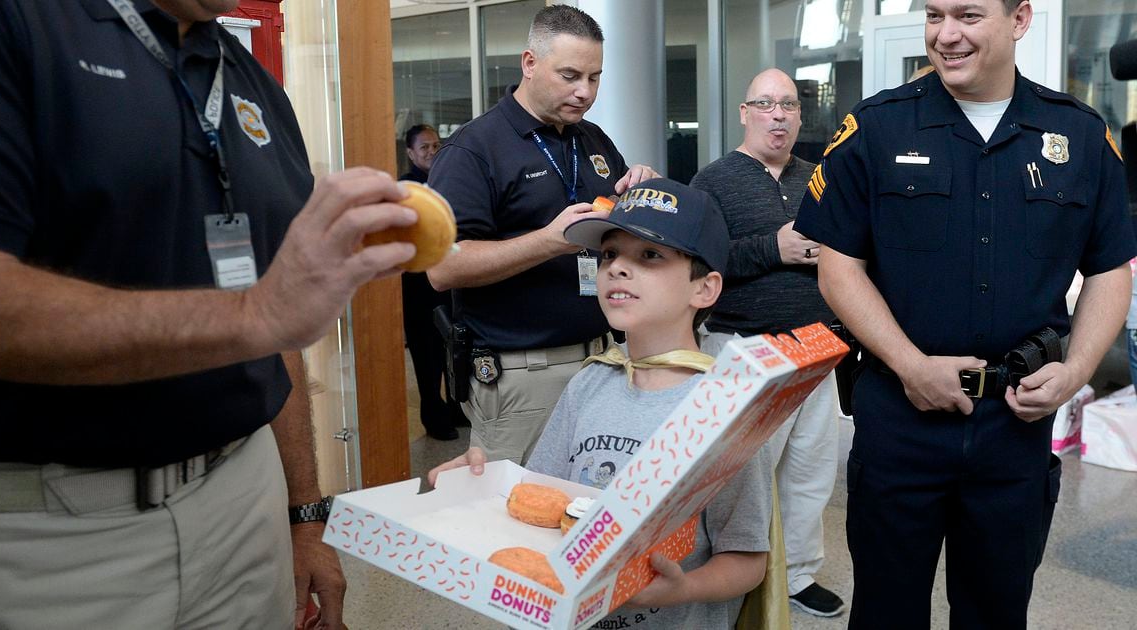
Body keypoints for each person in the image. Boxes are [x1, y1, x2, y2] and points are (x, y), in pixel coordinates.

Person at [0, 2, 421, 628]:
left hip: (243, 499)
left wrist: (304, 513)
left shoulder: (247, 79)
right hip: (42, 537)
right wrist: (256, 312)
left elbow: (272, 325)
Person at [794, 1, 1136, 628]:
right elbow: (837, 264)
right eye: (934, 15)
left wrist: (1077, 369)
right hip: (900, 421)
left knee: (995, 612)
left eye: (969, 15)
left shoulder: (1080, 135)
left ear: (1020, 20)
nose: (946, 35)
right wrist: (909, 364)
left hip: (1014, 428)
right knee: (887, 612)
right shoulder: (876, 128)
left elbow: (1111, 268)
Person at [432, 179, 773, 628]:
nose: (616, 269)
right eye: (609, 254)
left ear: (704, 289)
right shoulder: (589, 382)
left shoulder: (723, 408)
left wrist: (684, 589)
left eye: (650, 255)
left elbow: (747, 558)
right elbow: (544, 507)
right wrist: (477, 488)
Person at [426, 5, 658, 464]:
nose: (584, 92)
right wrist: (551, 239)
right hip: (524, 375)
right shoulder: (473, 150)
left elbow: (610, 235)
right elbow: (443, 268)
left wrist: (638, 196)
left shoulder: (591, 139)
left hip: (604, 359)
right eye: (570, 75)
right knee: (519, 517)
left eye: (594, 78)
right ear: (529, 63)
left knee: (588, 512)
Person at [690, 68, 843, 618]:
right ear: (744, 113)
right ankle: (728, 575)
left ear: (800, 115)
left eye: (788, 105)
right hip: (744, 351)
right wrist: (771, 249)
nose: (778, 115)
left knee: (809, 473)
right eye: (765, 104)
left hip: (818, 349)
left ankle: (797, 574)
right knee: (739, 479)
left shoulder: (822, 175)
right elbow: (698, 268)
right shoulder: (713, 181)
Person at [399, 124, 467, 441]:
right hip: (417, 288)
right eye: (424, 147)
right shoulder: (405, 190)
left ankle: (456, 408)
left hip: (449, 284)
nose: (431, 152)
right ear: (411, 153)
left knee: (451, 350)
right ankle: (433, 416)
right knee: (427, 358)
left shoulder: (449, 179)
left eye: (435, 146)